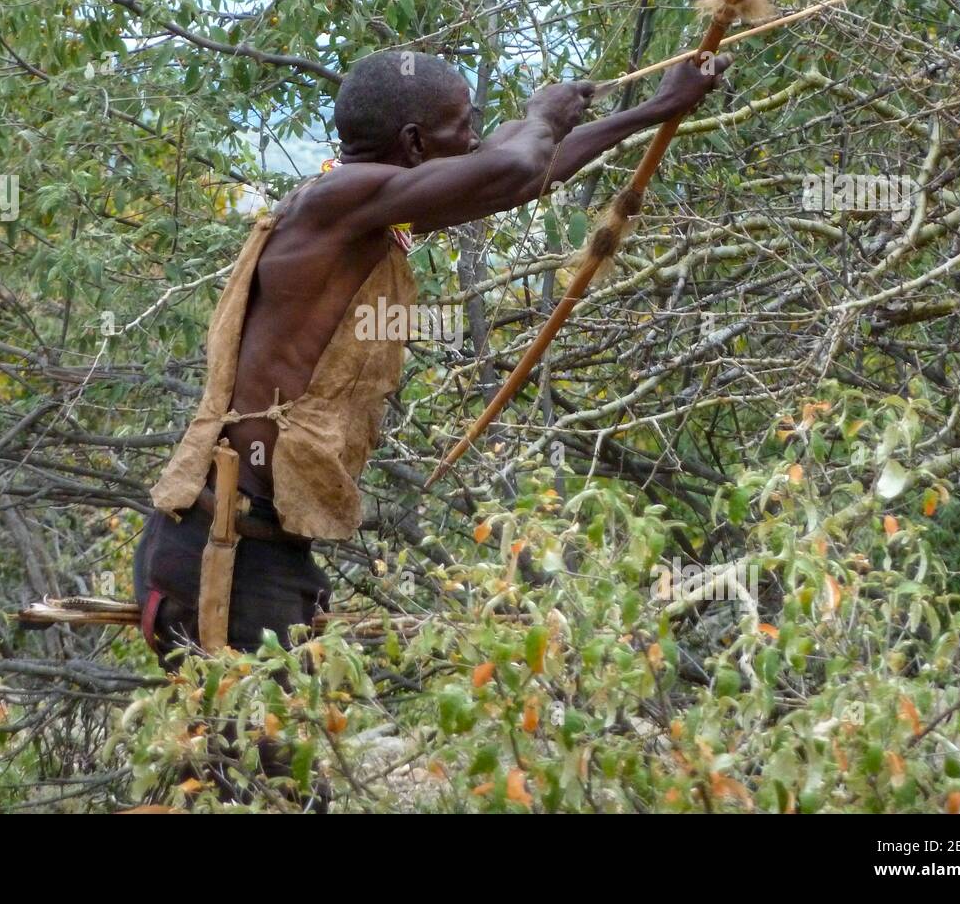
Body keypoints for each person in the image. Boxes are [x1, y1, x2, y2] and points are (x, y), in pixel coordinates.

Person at [135, 47, 731, 665]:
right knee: (253, 753)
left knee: (254, 751)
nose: (473, 137)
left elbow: (525, 173)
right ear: (416, 143)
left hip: (243, 543)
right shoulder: (342, 199)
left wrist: (657, 108)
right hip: (225, 551)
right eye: (462, 125)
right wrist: (548, 116)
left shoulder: (370, 208)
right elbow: (513, 166)